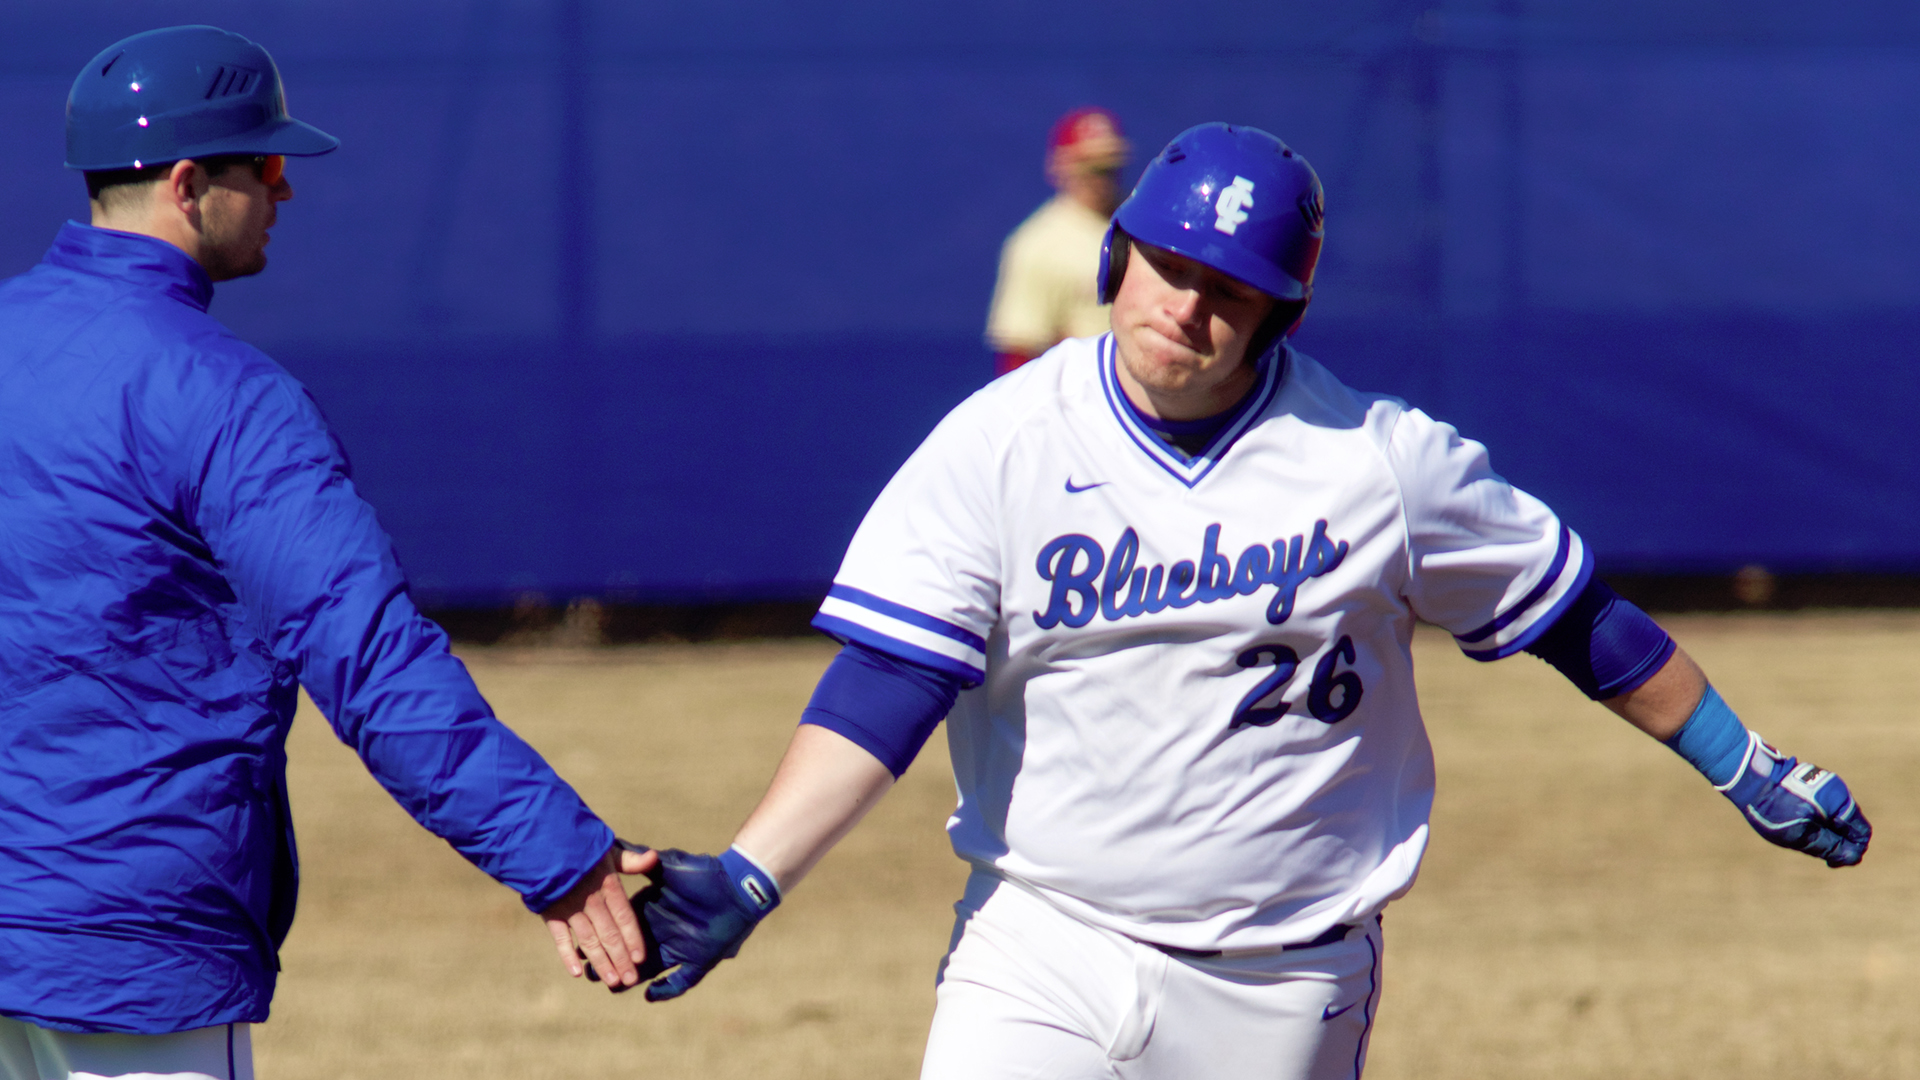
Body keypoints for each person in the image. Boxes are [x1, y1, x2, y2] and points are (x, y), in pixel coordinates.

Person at [626, 123, 1872, 1078]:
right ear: (1119, 256)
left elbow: (1578, 617)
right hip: (1042, 942)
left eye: (1228, 284)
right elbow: (891, 681)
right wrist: (754, 873)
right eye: (1166, 264)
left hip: (1286, 982)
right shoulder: (999, 443)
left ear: (1281, 307)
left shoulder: (1379, 461)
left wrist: (1742, 761)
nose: (1186, 304)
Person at [0, 26, 654, 1080]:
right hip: (125, 950)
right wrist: (558, 859)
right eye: (266, 165)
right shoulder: (222, 395)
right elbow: (371, 662)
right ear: (185, 184)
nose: (284, 192)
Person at [984, 106, 1131, 376]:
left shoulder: (1143, 223)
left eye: (1110, 166)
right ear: (1061, 166)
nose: (1102, 179)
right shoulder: (1037, 244)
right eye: (1091, 167)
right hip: (1084, 396)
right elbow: (1020, 350)